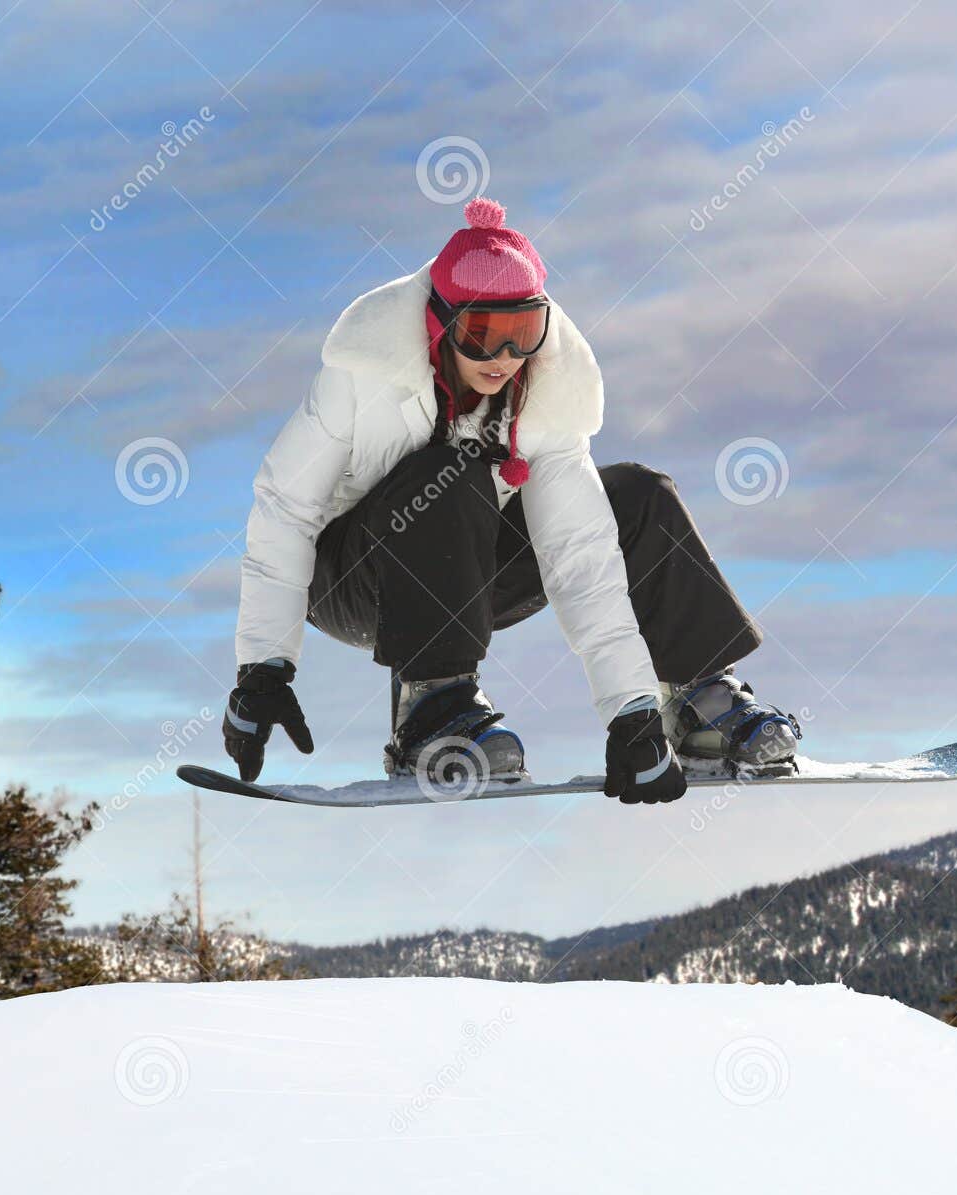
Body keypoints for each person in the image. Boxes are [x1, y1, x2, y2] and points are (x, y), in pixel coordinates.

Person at [223, 196, 800, 805]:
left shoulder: (548, 393)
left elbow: (580, 552)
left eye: (521, 333)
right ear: (439, 323)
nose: (502, 359)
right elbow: (285, 507)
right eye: (481, 335)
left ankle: (696, 701)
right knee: (451, 468)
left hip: (467, 573)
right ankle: (433, 708)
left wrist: (630, 713)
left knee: (636, 494)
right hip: (352, 579)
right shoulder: (362, 376)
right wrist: (263, 668)